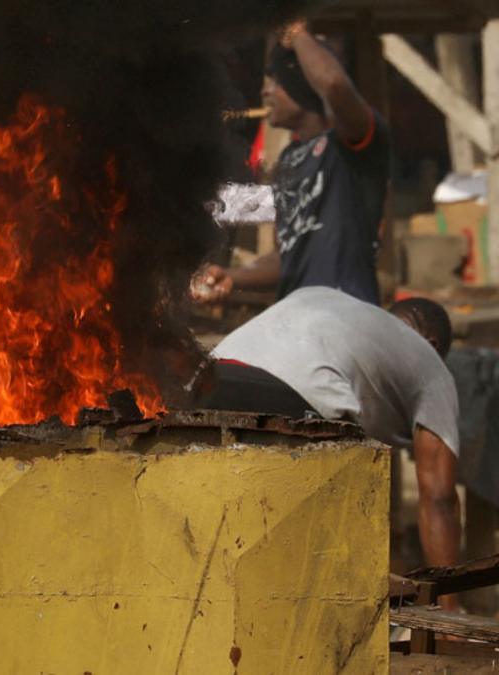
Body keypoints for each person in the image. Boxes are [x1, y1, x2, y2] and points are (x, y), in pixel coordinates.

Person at [200, 286, 461, 606]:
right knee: (324, 562)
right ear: (434, 344)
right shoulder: (432, 364)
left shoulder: (330, 299)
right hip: (295, 399)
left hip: (212, 378)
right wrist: (449, 612)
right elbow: (438, 497)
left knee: (214, 541)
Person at [195, 20, 390, 305]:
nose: (266, 91)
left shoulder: (351, 146)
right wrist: (232, 276)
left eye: (277, 82)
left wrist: (297, 33)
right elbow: (288, 256)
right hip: (298, 317)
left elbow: (334, 85)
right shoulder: (291, 158)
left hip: (348, 312)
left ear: (303, 87)